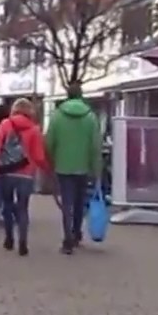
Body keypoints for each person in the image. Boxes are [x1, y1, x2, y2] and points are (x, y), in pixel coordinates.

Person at [0, 98, 50, 256]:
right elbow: (39, 156)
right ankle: (23, 242)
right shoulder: (35, 129)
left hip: (6, 171)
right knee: (23, 208)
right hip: (26, 174)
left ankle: (9, 238)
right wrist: (46, 169)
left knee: (7, 205)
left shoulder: (5, 124)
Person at [45, 84, 103, 251]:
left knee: (67, 203)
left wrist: (51, 161)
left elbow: (49, 143)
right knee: (79, 201)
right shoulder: (91, 117)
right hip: (83, 166)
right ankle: (77, 232)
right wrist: (96, 167)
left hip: (63, 166)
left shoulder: (57, 116)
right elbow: (95, 145)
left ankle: (67, 239)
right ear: (81, 95)